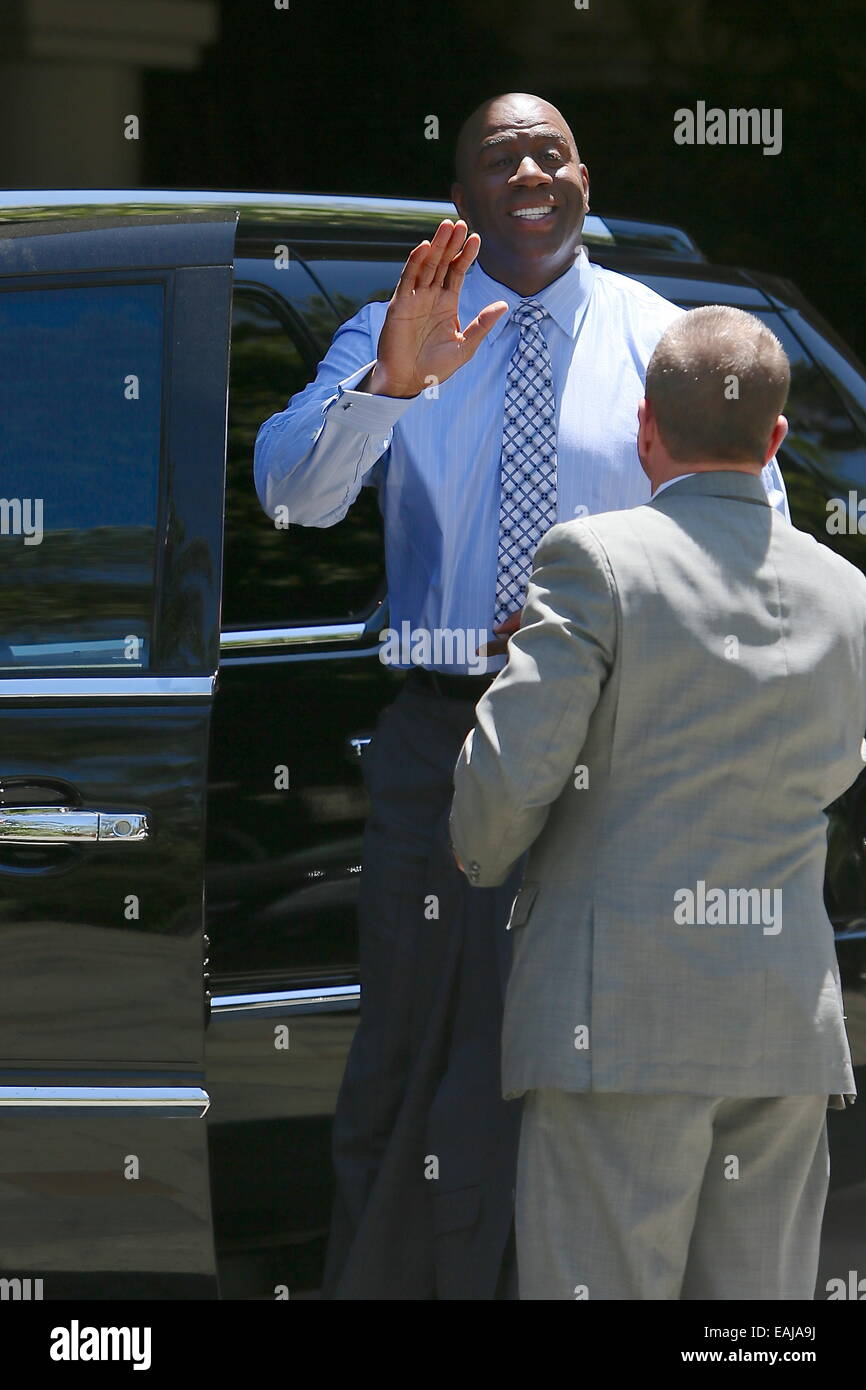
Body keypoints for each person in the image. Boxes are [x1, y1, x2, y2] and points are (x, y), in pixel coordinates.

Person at [254, 92, 788, 1300]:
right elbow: (291, 495)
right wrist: (391, 384)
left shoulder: (667, 337)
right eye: (499, 155)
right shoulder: (397, 328)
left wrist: (621, 629)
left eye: (549, 148)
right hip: (443, 739)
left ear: (584, 177)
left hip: (625, 745)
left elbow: (759, 547)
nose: (530, 167)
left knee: (587, 1066)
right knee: (413, 1058)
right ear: (464, 198)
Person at [450, 305, 863, 1300]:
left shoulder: (591, 560)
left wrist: (478, 854)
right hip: (783, 1024)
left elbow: (505, 785)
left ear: (644, 429)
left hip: (615, 1024)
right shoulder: (848, 592)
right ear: (772, 440)